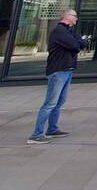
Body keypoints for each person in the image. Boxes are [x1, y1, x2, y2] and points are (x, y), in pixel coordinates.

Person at [28, 9, 86, 144]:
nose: (76, 19)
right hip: (58, 71)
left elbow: (82, 44)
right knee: (50, 103)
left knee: (59, 102)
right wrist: (78, 41)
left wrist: (78, 40)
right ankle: (36, 134)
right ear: (68, 17)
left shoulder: (69, 31)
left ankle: (52, 129)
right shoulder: (59, 31)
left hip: (67, 70)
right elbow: (76, 46)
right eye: (75, 16)